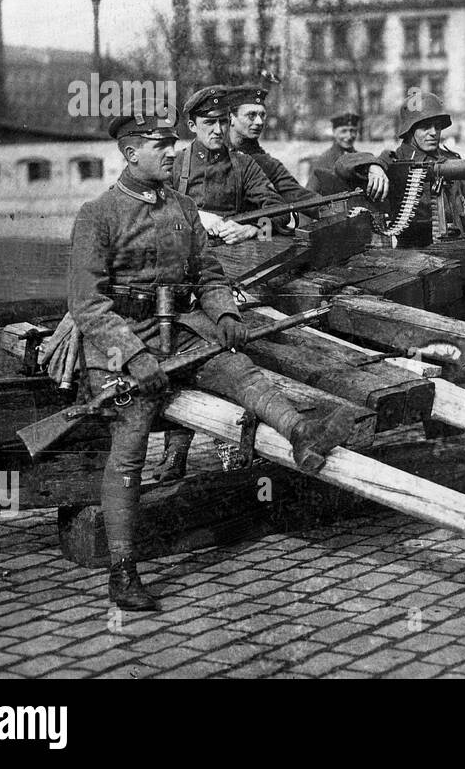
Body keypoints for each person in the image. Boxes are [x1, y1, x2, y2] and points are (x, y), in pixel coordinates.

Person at [69, 102, 344, 612]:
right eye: (159, 145)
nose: (170, 152)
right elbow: (87, 304)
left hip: (182, 332)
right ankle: (123, 570)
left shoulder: (182, 207)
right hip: (122, 341)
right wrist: (133, 356)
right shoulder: (98, 214)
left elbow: (209, 275)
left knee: (242, 371)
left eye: (172, 143)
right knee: (129, 447)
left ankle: (302, 432)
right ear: (130, 153)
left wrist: (224, 314)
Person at [174, 86, 286, 243]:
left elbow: (281, 211)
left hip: (231, 249)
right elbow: (151, 209)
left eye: (223, 121)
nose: (218, 130)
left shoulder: (244, 164)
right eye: (209, 122)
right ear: (192, 126)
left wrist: (253, 229)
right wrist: (194, 215)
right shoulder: (174, 162)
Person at [376, 91, 465, 248]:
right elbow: (347, 164)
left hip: (458, 246)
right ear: (410, 130)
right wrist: (375, 167)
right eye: (425, 127)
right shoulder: (394, 160)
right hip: (414, 251)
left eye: (437, 126)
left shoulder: (452, 160)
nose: (434, 133)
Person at [216, 84, 317, 203]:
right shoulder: (211, 151)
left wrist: (330, 207)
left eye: (262, 115)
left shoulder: (266, 163)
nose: (259, 122)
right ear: (231, 117)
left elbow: (299, 195)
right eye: (251, 115)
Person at [307, 112, 361, 196]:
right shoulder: (323, 161)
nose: (349, 136)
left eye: (352, 131)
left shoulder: (361, 158)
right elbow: (310, 194)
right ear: (334, 132)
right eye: (344, 131)